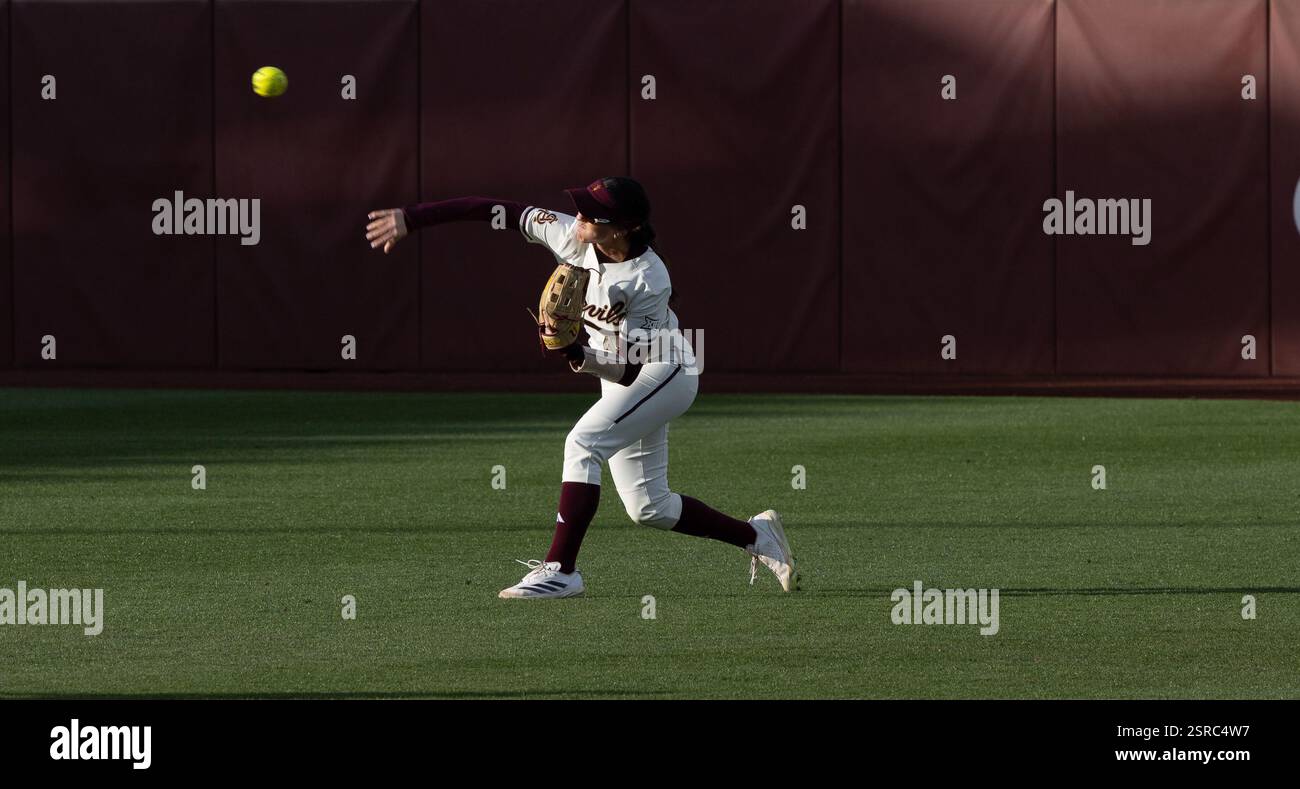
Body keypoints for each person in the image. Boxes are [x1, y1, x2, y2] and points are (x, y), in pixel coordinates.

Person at [365, 177, 797, 599]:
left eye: (593, 214)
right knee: (648, 507)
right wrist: (412, 218)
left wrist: (575, 351)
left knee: (583, 443)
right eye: (581, 207)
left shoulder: (648, 278)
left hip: (664, 370)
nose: (580, 217)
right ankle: (756, 536)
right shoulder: (569, 233)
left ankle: (561, 570)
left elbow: (631, 371)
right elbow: (492, 209)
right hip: (621, 373)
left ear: (625, 227)